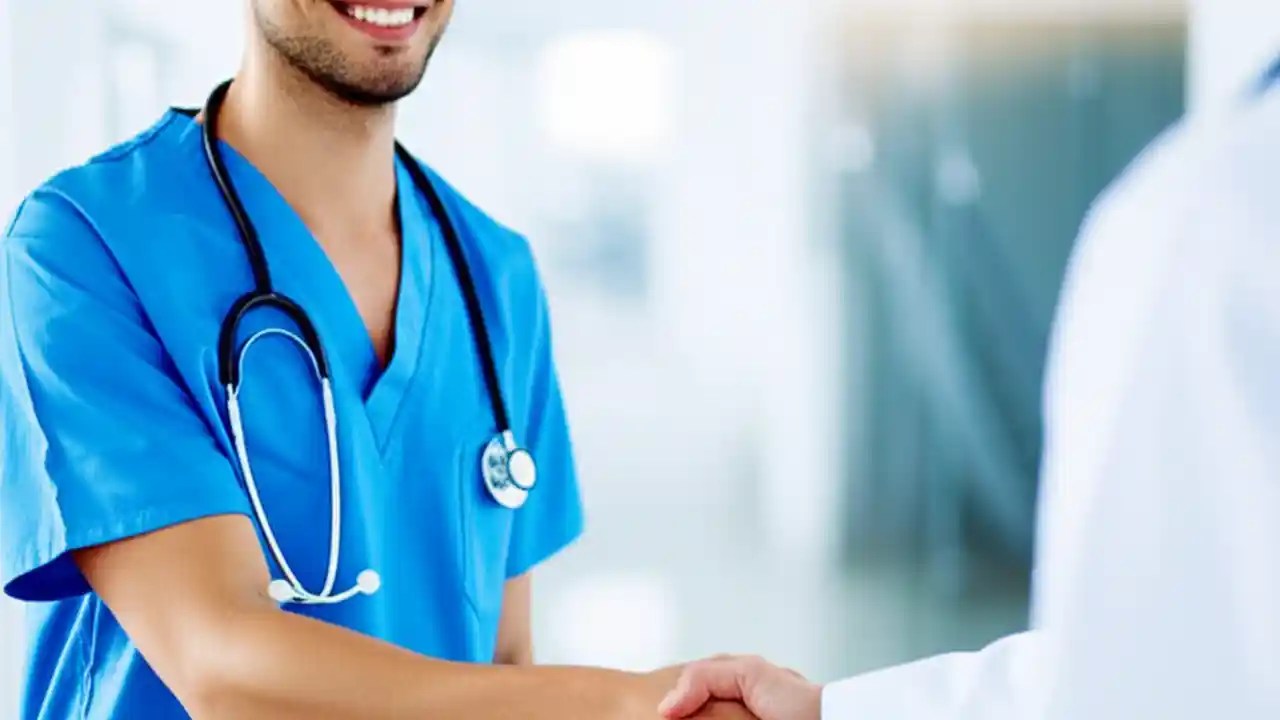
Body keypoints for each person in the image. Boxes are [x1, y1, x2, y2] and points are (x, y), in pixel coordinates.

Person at [0, 2, 753, 718]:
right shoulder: (82, 247)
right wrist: (626, 704)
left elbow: (507, 661)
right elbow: (221, 668)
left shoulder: (496, 276)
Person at [658, 60, 1280, 720]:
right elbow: (1165, 646)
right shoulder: (1217, 209)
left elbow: (1139, 674)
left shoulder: (1210, 219)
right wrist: (832, 709)